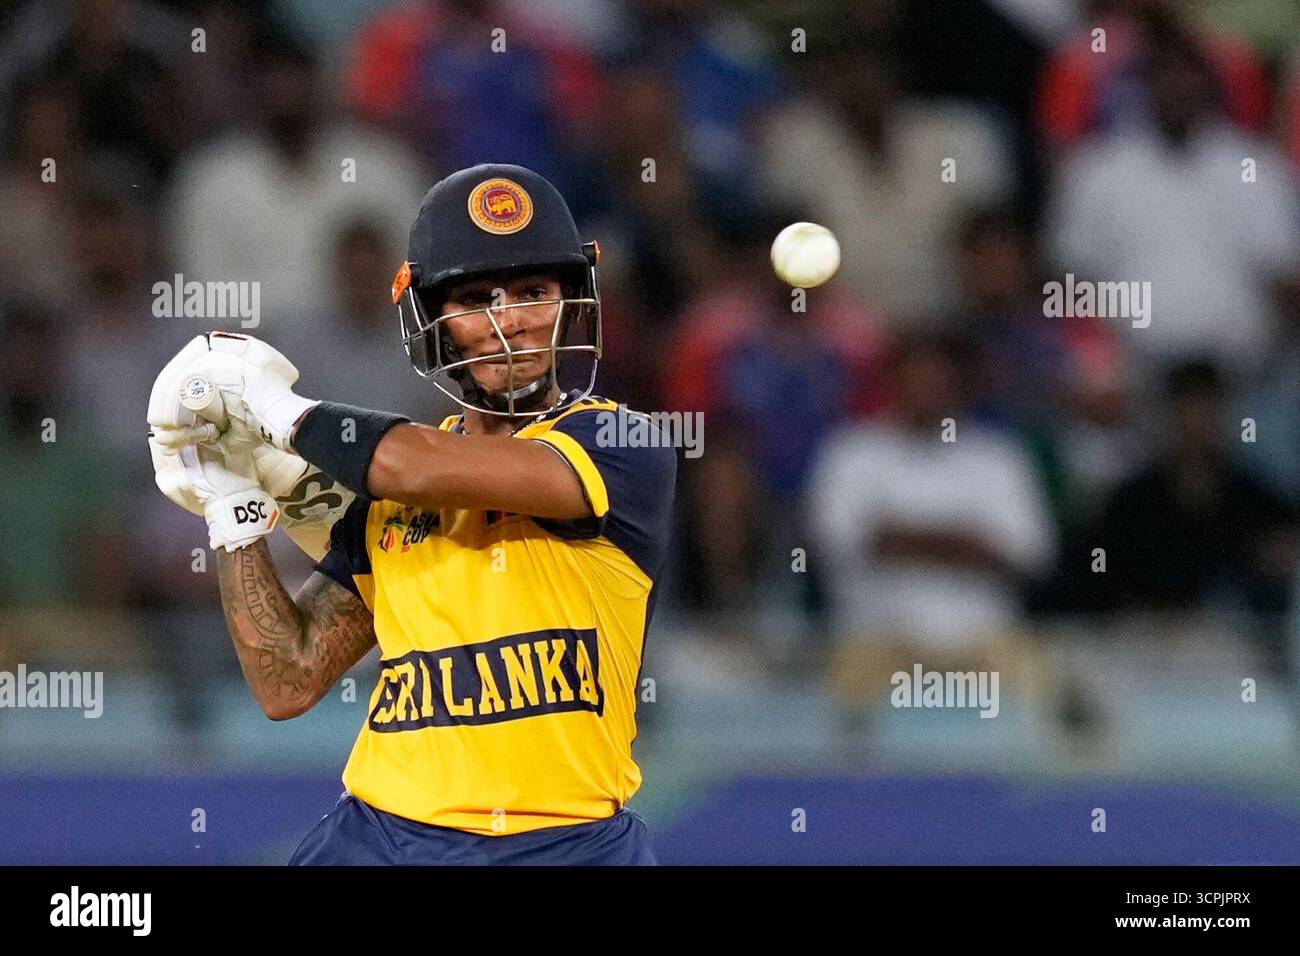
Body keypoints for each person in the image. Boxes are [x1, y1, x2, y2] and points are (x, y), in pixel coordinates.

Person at [146, 164, 676, 865]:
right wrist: (233, 511)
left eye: (533, 292)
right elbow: (287, 681)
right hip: (382, 838)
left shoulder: (621, 442)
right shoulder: (390, 487)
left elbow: (416, 467)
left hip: (568, 841)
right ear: (432, 321)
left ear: (572, 300)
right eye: (476, 299)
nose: (510, 321)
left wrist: (278, 412)